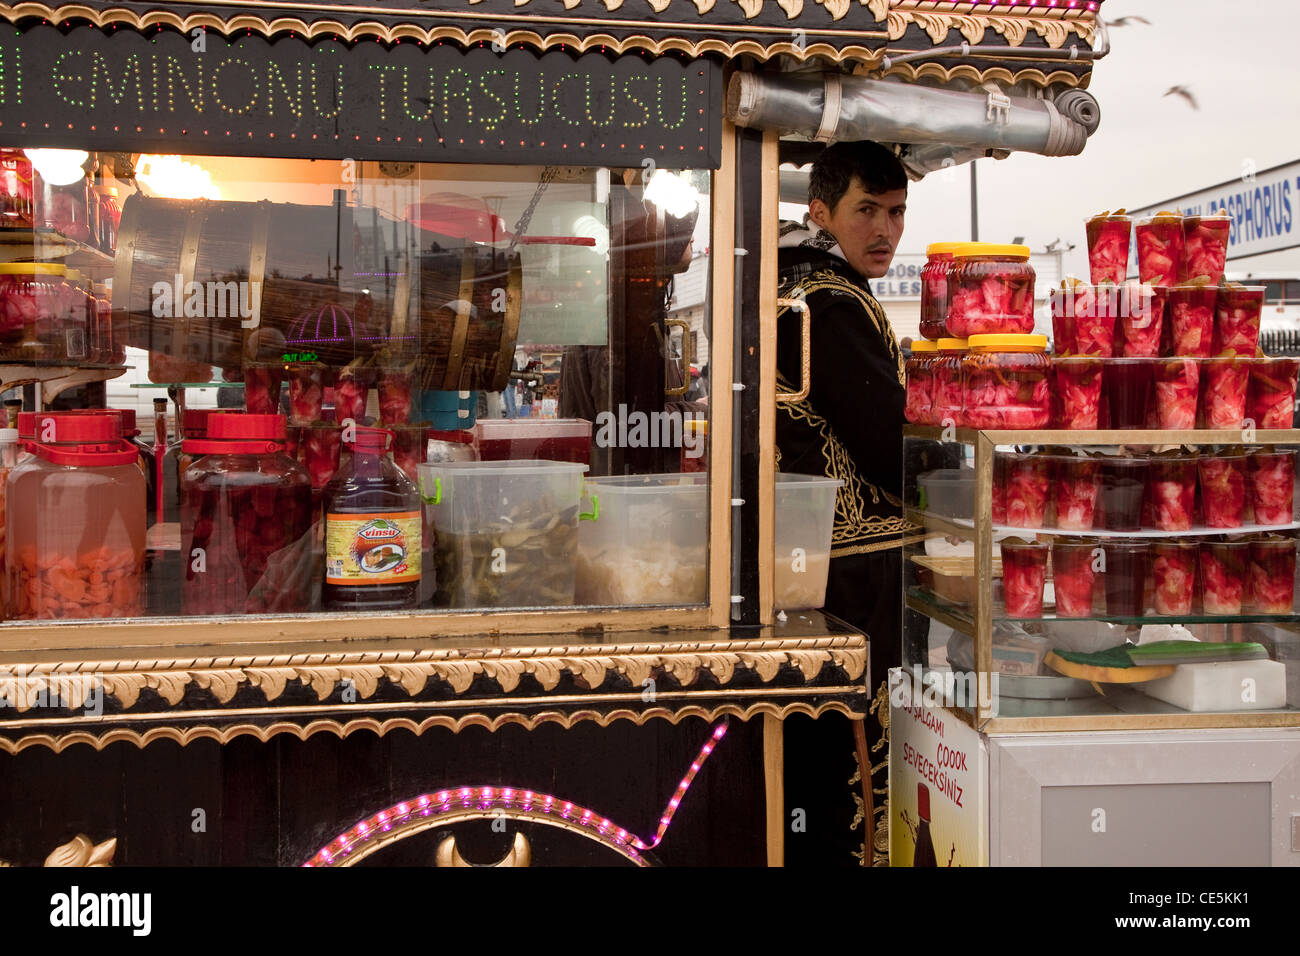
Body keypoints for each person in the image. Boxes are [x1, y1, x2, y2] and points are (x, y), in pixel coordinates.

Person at [775, 141, 922, 866]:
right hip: (856, 582)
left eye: (896, 212)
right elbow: (893, 451)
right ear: (821, 212)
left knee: (814, 774)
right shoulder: (831, 304)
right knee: (854, 779)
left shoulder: (788, 287)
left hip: (812, 571)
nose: (885, 230)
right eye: (866, 211)